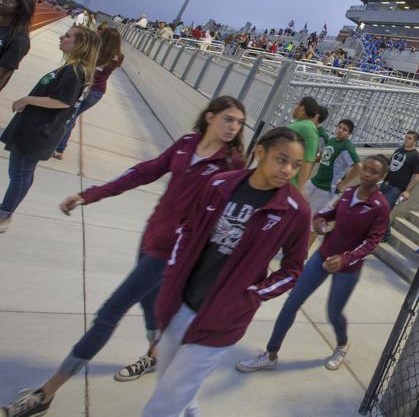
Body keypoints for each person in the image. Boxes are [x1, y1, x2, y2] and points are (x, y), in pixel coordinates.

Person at [1, 97, 246, 416]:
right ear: (210, 116)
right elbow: (145, 172)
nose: (234, 127)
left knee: (108, 314)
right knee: (148, 302)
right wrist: (89, 195)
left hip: (172, 253)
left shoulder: (231, 164)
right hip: (151, 235)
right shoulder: (187, 143)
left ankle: (47, 393)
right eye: (229, 119)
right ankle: (156, 355)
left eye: (239, 122)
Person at [140, 127, 310, 416]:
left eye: (296, 165)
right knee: (171, 382)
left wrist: (252, 296)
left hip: (223, 319)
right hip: (179, 303)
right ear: (260, 153)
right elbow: (187, 228)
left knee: (165, 403)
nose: (288, 170)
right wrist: (172, 273)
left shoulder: (296, 210)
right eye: (282, 160)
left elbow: (293, 269)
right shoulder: (220, 183)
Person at [236, 155, 390, 375]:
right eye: (365, 168)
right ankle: (270, 354)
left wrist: (345, 259)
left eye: (373, 172)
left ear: (381, 177)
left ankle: (341, 344)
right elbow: (325, 213)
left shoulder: (380, 206)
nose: (366, 174)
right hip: (323, 257)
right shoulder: (347, 193)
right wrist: (319, 222)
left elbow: (372, 242)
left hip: (347, 268)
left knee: (333, 312)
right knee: (291, 303)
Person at [0, 26, 100, 234]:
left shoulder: (74, 71)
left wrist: (26, 100)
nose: (62, 38)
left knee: (20, 174)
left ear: (80, 45)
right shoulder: (73, 68)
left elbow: (62, 101)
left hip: (39, 131)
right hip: (36, 127)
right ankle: (6, 211)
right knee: (21, 174)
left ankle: (4, 214)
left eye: (68, 36)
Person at [53, 28, 124, 159]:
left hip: (83, 87)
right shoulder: (119, 57)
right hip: (98, 92)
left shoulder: (94, 50)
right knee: (72, 116)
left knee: (68, 117)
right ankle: (59, 147)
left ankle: (59, 148)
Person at [304, 119, 361, 214]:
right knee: (299, 205)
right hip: (315, 181)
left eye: (345, 129)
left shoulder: (347, 147)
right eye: (339, 127)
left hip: (326, 189)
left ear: (349, 134)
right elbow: (322, 156)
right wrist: (307, 161)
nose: (340, 130)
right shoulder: (332, 140)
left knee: (310, 215)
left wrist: (344, 183)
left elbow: (358, 166)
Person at [380, 132, 419, 230]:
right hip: (386, 183)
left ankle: (385, 234)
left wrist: (407, 191)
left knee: (384, 210)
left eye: (410, 138)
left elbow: (417, 175)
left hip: (397, 188)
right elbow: (390, 166)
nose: (406, 139)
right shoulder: (398, 150)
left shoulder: (416, 156)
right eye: (406, 137)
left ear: (415, 141)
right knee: (377, 207)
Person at [0, 0, 35, 92]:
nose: (0, 2)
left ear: (19, 9)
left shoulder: (19, 40)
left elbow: (2, 76)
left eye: (7, 0)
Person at [285, 96, 320, 190]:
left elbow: (307, 161)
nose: (294, 107)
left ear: (302, 108)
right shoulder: (299, 124)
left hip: (288, 185)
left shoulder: (308, 129)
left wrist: (299, 189)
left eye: (297, 104)